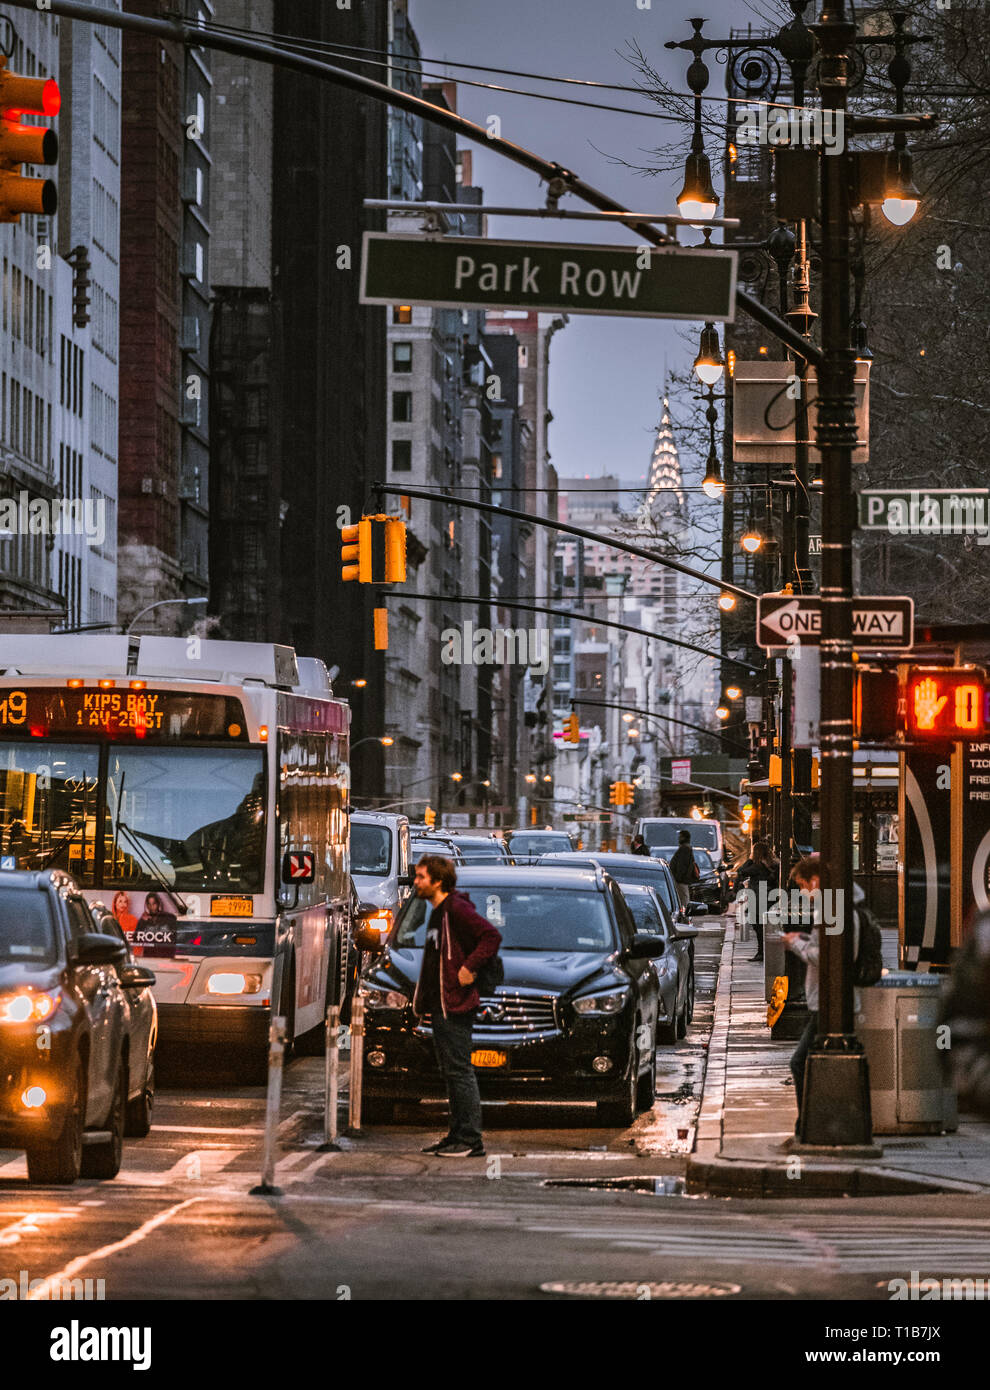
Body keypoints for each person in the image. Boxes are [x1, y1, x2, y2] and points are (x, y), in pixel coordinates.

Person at [411, 854, 502, 1158]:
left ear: (437, 881)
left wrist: (469, 967)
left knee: (460, 1071)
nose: (416, 882)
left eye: (421, 877)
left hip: (456, 1005)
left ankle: (471, 1139)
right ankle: (455, 1135)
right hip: (441, 1005)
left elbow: (491, 935)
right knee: (451, 1072)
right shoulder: (438, 913)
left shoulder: (456, 909)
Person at [780, 855, 860, 1141]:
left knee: (800, 1062)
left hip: (828, 999)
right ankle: (814, 1124)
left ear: (815, 881)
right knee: (809, 1061)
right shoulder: (837, 906)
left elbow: (826, 955)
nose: (803, 892)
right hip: (829, 998)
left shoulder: (831, 910)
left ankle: (810, 1125)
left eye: (803, 885)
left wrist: (796, 945)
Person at [734, 839, 777, 962]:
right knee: (765, 927)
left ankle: (761, 952)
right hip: (769, 898)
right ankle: (764, 952)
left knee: (758, 927)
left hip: (758, 899)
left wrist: (750, 859)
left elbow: (741, 871)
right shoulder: (772, 864)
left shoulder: (756, 866)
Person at [668, 829, 698, 911]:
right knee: (682, 899)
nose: (678, 838)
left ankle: (685, 918)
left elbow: (682, 865)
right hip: (681, 880)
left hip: (681, 881)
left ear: (684, 838)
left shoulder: (685, 849)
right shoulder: (685, 848)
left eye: (680, 837)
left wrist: (678, 878)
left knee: (683, 900)